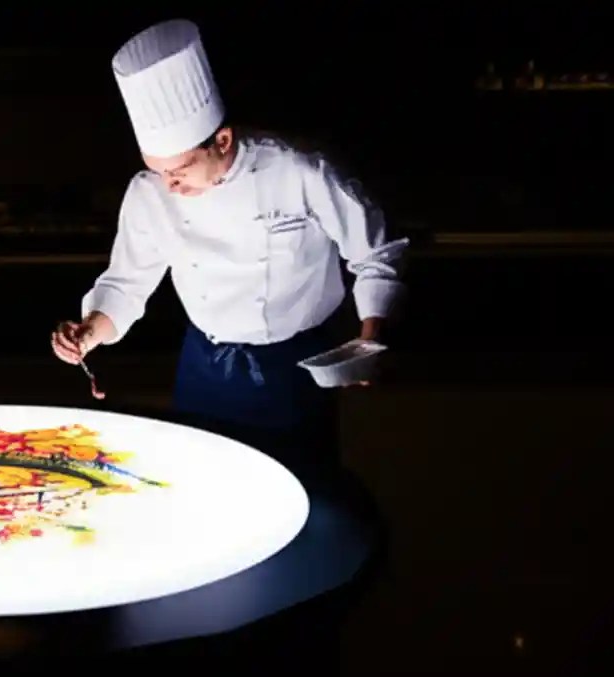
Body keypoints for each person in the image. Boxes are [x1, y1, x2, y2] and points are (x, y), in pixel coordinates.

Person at [51, 19, 409, 464]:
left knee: (301, 484)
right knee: (203, 481)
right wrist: (89, 333)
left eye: (179, 170)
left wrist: (371, 340)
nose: (169, 185)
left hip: (295, 365)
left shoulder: (300, 169)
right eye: (158, 170)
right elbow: (127, 284)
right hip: (204, 365)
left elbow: (376, 253)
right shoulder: (149, 192)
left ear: (221, 140)